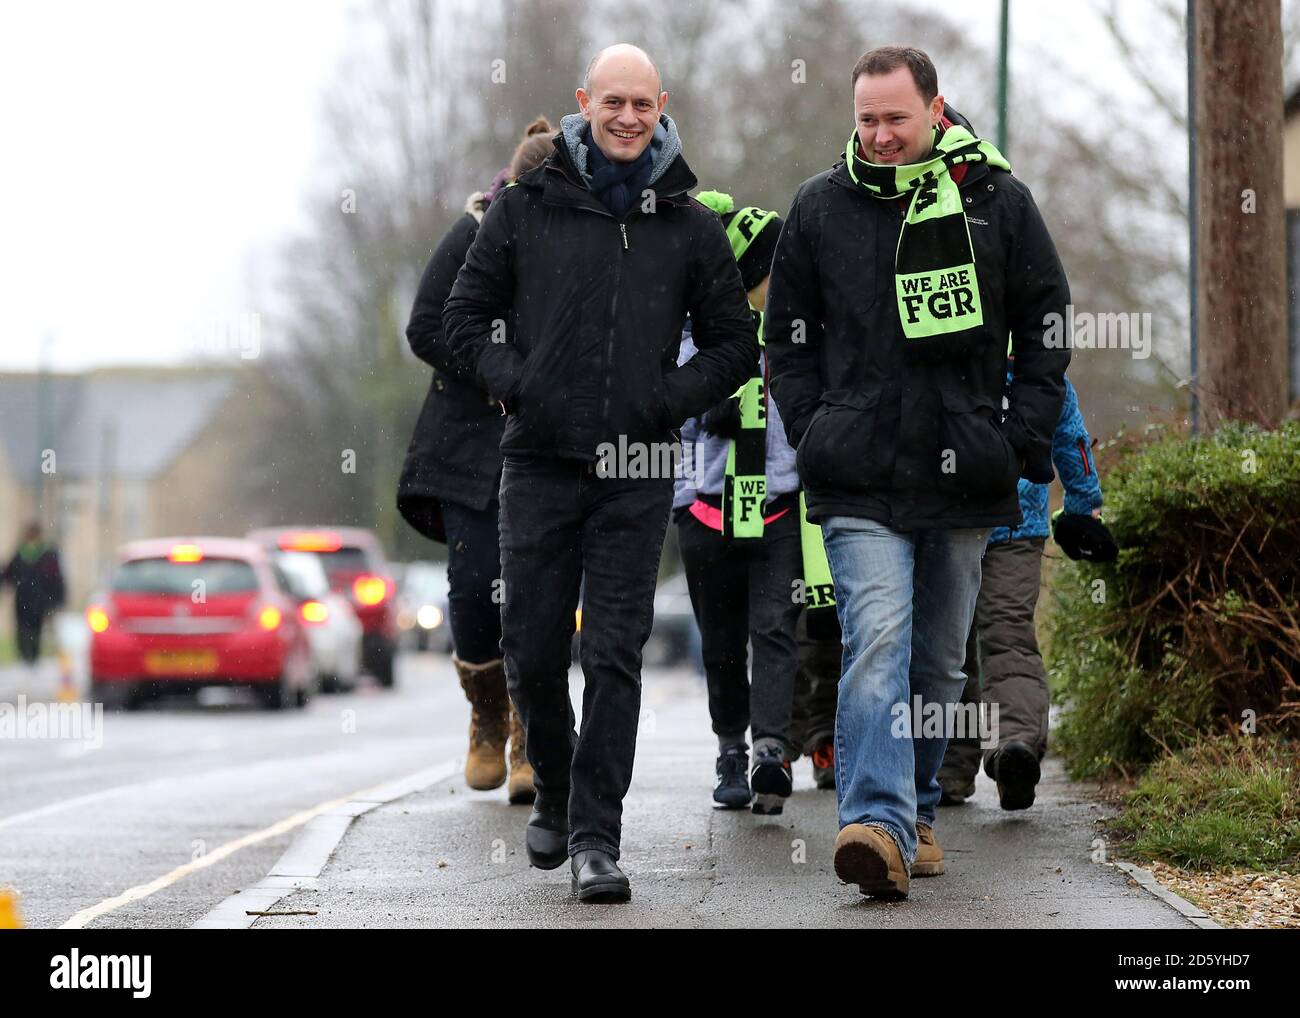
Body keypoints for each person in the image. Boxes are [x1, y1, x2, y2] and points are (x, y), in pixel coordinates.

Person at [443, 44, 757, 902]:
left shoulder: (688, 223)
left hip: (641, 467)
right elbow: (461, 319)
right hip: (540, 463)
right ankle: (551, 773)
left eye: (642, 106)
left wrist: (670, 399)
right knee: (533, 650)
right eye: (611, 103)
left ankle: (595, 839)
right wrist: (519, 388)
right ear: (585, 102)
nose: (626, 119)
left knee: (614, 654)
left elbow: (736, 342)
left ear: (662, 106)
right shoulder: (526, 211)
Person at [765, 45, 1071, 900]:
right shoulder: (820, 208)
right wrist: (813, 427)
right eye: (866, 119)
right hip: (857, 476)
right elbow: (783, 340)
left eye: (896, 118)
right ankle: (876, 825)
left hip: (968, 474)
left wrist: (1019, 439)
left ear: (936, 111)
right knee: (878, 640)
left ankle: (920, 813)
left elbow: (1047, 321)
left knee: (938, 665)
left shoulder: (998, 204)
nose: (880, 134)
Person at [399, 117, 555, 805]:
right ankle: (487, 710)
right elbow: (424, 325)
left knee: (537, 592)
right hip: (467, 445)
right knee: (472, 587)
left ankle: (527, 734)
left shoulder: (572, 239)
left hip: (545, 443)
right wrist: (495, 371)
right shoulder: (473, 231)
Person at [671, 191, 803, 815]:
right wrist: (679, 503)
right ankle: (729, 745)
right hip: (708, 512)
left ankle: (769, 752)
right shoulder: (697, 341)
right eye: (774, 271)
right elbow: (670, 428)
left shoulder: (794, 339)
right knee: (721, 642)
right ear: (750, 277)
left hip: (776, 509)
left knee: (775, 629)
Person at [939, 375, 1113, 809]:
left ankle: (967, 761)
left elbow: (1067, 428)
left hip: (965, 520)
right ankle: (1006, 743)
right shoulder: (1037, 364)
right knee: (1001, 636)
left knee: (951, 643)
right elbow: (1071, 436)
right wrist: (1081, 503)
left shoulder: (957, 355)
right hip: (1008, 524)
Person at [2, 523, 65, 666]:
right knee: (22, 627)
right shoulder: (20, 553)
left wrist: (57, 599)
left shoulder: (47, 555)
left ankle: (33, 656)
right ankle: (24, 655)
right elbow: (9, 574)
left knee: (35, 627)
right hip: (23, 598)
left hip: (39, 599)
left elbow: (56, 578)